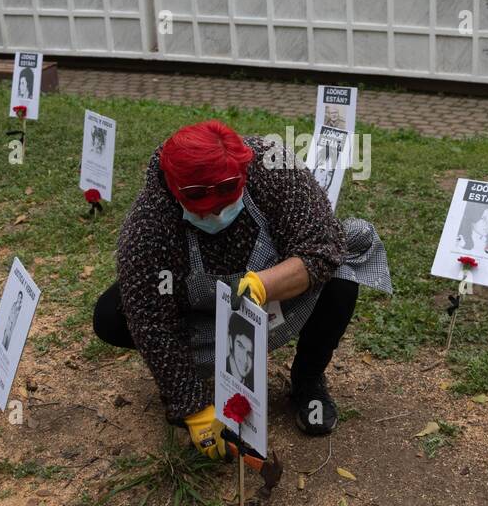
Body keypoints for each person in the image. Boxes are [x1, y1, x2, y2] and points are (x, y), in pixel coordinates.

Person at [92, 120, 391, 459]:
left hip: (276, 293)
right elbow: (152, 318)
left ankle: (307, 379)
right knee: (113, 315)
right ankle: (198, 376)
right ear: (174, 189)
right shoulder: (150, 223)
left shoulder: (273, 166)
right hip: (202, 311)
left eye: (226, 192)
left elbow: (322, 247)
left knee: (341, 271)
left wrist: (263, 285)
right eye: (198, 199)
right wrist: (191, 407)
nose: (216, 210)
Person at [226, 311, 255, 393]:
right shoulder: (222, 367)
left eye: (250, 354)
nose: (245, 361)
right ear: (231, 342)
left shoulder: (253, 381)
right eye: (241, 347)